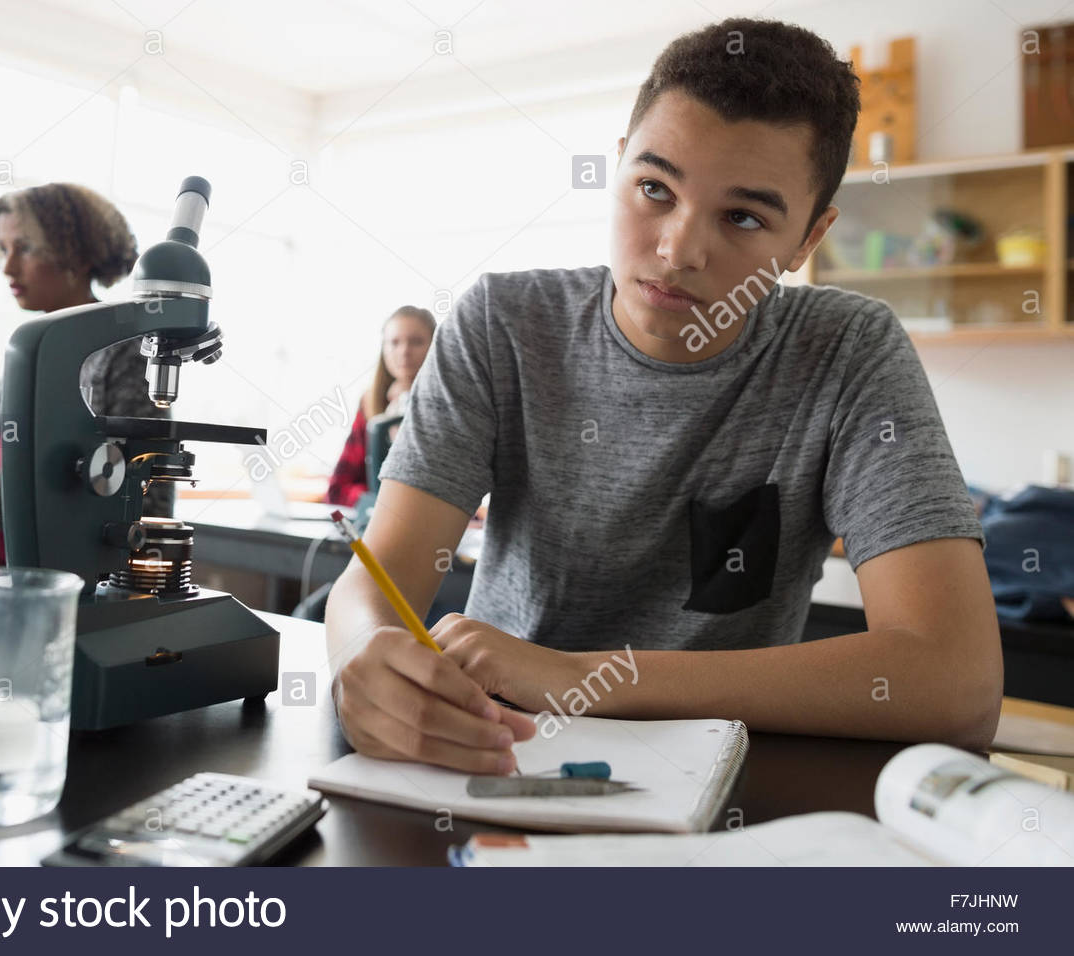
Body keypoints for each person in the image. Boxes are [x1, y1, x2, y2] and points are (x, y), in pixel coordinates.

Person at [325, 18, 1005, 776]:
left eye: (744, 217)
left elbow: (957, 681)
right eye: (655, 188)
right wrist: (363, 654)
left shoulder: (847, 350)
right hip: (494, 752)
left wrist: (584, 678)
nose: (679, 251)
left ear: (809, 239)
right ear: (618, 167)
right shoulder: (500, 324)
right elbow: (377, 578)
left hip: (716, 785)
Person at [0, 183, 173, 563]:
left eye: (25, 248)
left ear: (77, 252)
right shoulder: (13, 374)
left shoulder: (127, 359)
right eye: (4, 249)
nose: (8, 266)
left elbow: (145, 512)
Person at [324, 305, 436, 506]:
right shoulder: (370, 403)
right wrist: (373, 501)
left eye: (417, 342)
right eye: (394, 342)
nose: (404, 352)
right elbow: (337, 490)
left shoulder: (447, 409)